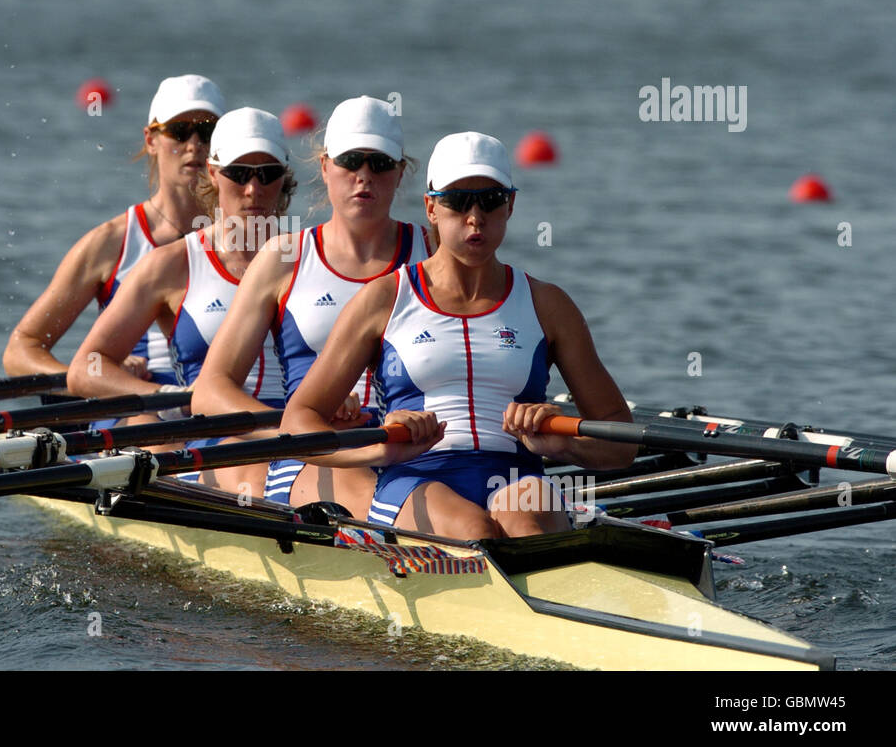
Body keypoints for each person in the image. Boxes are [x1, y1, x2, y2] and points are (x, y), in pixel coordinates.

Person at [278, 132, 636, 539]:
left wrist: (563, 443)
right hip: (416, 480)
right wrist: (379, 449)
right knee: (473, 529)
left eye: (490, 200)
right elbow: (298, 422)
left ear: (511, 204)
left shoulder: (549, 304)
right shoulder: (383, 299)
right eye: (457, 201)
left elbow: (620, 441)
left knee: (526, 517)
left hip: (518, 479)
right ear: (431, 207)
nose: (475, 217)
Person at [191, 96, 432, 511]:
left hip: (410, 446)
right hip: (313, 455)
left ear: (401, 171)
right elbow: (210, 393)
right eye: (351, 160)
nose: (364, 176)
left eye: (380, 164)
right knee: (400, 506)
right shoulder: (284, 260)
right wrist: (298, 432)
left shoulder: (434, 252)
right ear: (325, 166)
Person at [66, 109, 294, 459]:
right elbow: (85, 369)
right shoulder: (170, 266)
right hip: (215, 438)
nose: (253, 189)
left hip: (300, 434)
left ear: (284, 178)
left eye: (267, 174)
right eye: (239, 174)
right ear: (214, 174)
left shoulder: (309, 258)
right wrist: (160, 397)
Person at [3, 75, 225, 383]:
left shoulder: (245, 239)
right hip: (131, 407)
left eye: (207, 132)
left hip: (213, 404)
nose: (194, 146)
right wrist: (94, 377)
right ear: (151, 141)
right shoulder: (110, 244)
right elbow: (21, 350)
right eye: (179, 132)